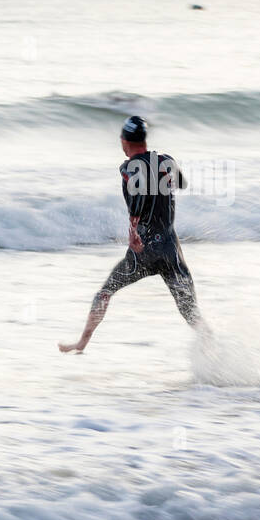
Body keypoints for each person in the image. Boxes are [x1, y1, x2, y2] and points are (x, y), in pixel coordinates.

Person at [59, 116, 205, 353]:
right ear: (144, 140)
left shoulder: (128, 168)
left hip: (142, 251)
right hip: (170, 249)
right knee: (190, 311)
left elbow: (138, 194)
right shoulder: (166, 161)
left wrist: (133, 227)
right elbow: (181, 183)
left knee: (106, 292)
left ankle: (82, 343)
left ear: (124, 141)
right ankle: (213, 346)